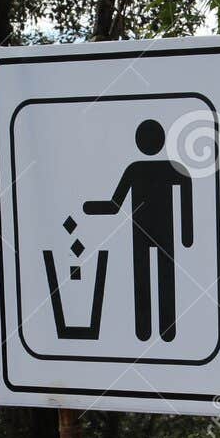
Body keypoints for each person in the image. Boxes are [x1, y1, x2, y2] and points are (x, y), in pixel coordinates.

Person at [84, 119, 194, 341]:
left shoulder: (139, 168)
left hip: (150, 233)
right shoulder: (163, 167)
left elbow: (114, 205)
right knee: (156, 277)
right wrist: (186, 235)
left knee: (152, 276)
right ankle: (156, 330)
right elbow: (185, 188)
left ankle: (157, 330)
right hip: (155, 233)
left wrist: (187, 234)